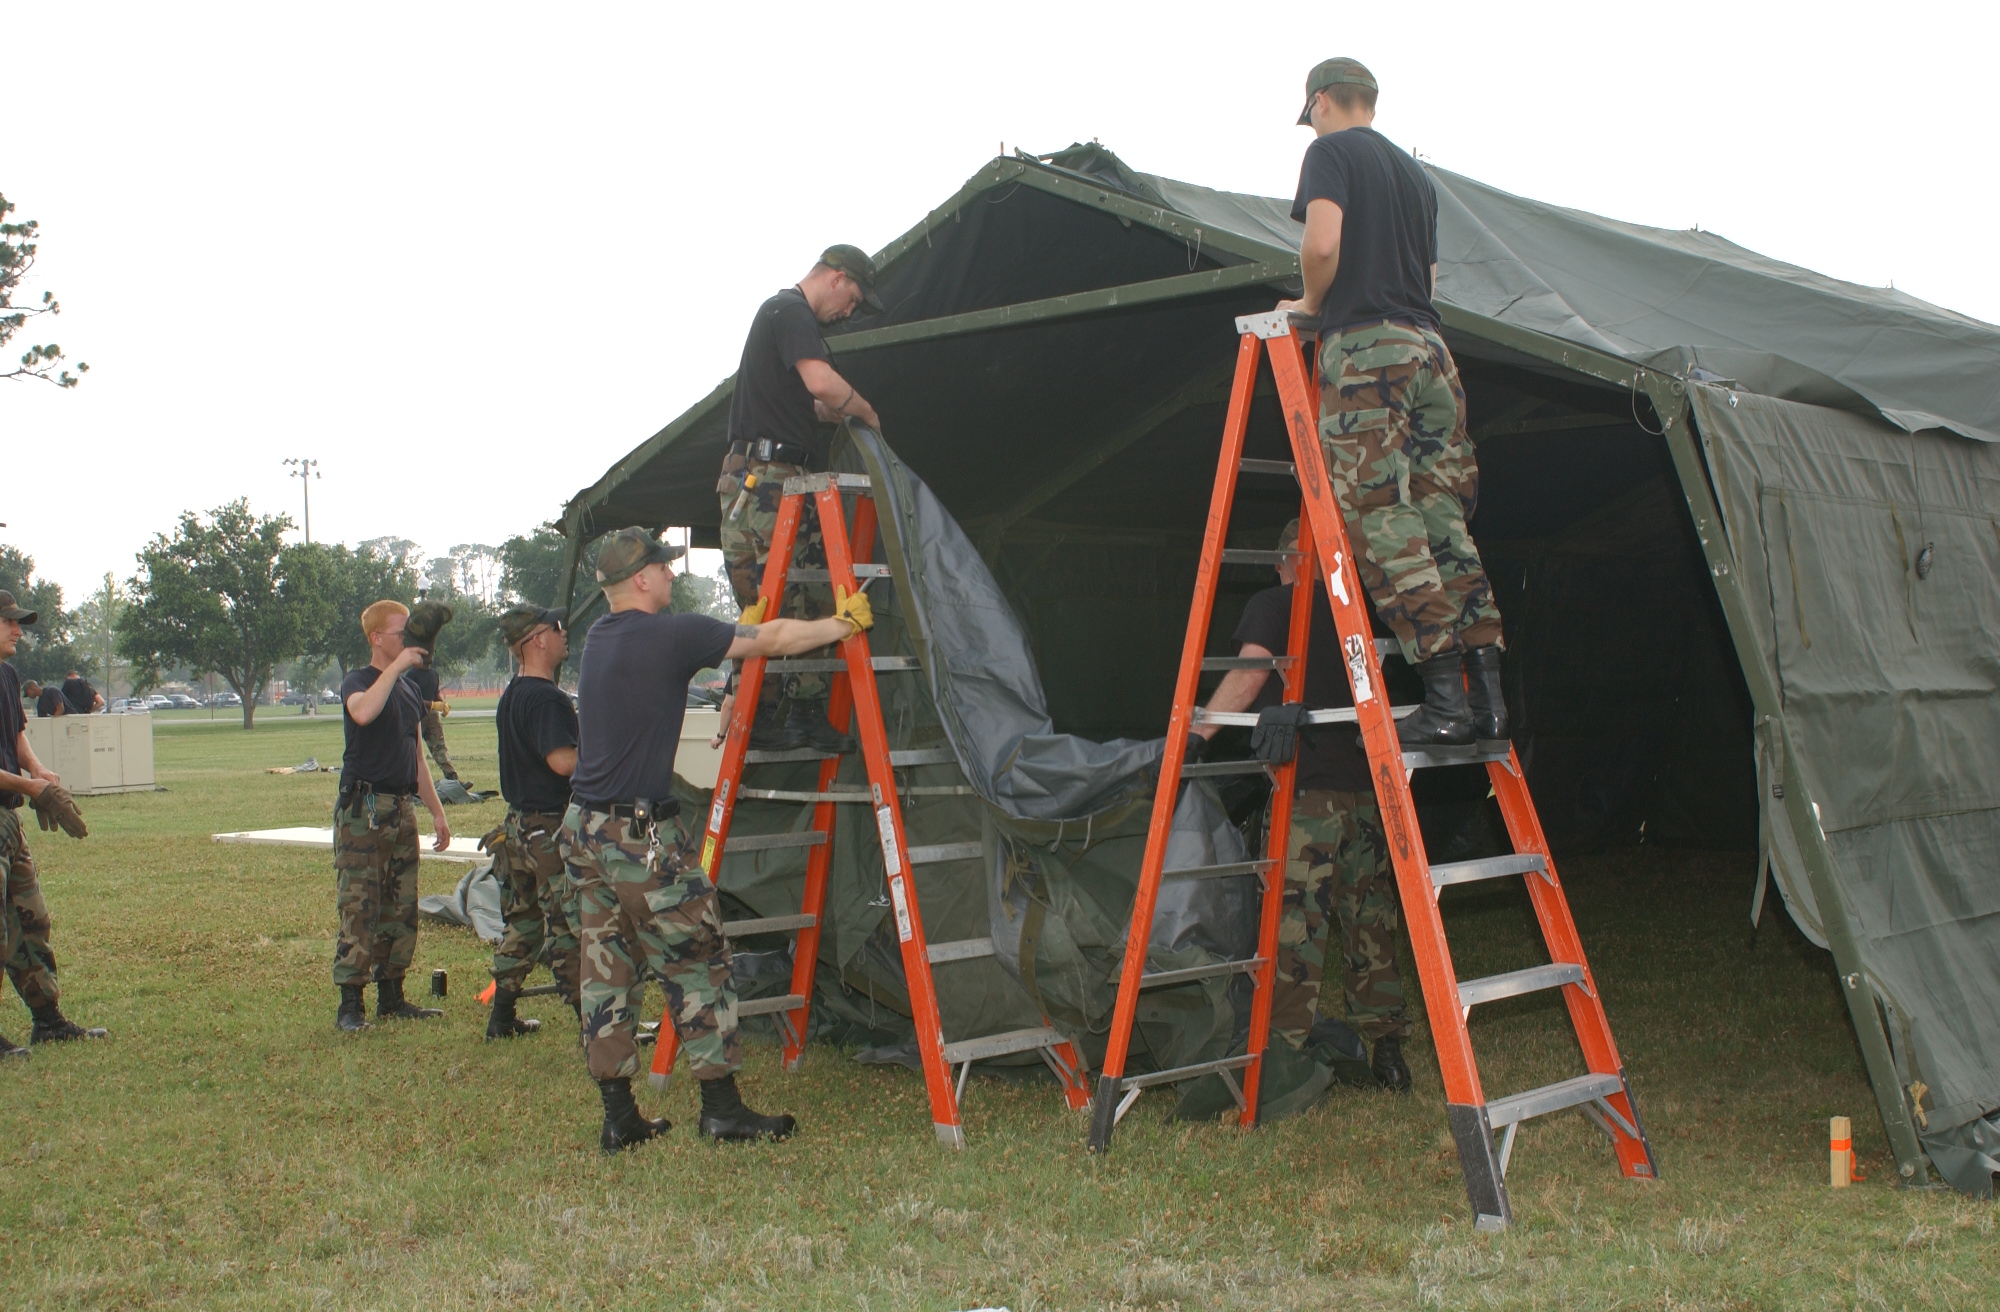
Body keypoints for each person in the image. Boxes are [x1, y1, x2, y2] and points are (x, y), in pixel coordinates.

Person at [561, 527, 873, 1151]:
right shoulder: (671, 634)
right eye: (664, 568)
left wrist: (731, 629)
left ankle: (619, 1118)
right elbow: (778, 639)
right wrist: (842, 625)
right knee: (698, 958)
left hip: (584, 831)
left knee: (606, 970)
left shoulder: (600, 637)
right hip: (640, 834)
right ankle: (722, 1109)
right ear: (641, 579)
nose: (673, 576)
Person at [1276, 58, 1507, 756]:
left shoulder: (1330, 153)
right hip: (1431, 350)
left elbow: (1322, 242)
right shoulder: (1417, 178)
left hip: (1369, 349)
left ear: (1320, 103)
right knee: (1443, 518)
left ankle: (1441, 703)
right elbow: (1430, 278)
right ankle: (1488, 701)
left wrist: (1310, 304)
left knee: (1380, 516)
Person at [1194, 523, 1410, 1091]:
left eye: (1279, 564)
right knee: (1372, 926)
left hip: (1307, 799)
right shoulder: (1354, 611)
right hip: (1368, 795)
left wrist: (1198, 733)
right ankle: (1388, 1051)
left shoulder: (1275, 603)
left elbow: (1248, 675)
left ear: (1290, 559)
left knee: (1294, 930)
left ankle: (1284, 1058)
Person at [715, 243, 884, 755]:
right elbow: (821, 382)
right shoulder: (788, 310)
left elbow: (806, 398)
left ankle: (806, 710)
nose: (848, 312)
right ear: (835, 277)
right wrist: (866, 412)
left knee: (807, 594)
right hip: (761, 481)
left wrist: (831, 412)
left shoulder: (789, 320)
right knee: (766, 596)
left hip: (787, 477)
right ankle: (760, 709)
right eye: (851, 299)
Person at [333, 600, 452, 1032]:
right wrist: (398, 665)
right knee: (361, 905)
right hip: (364, 810)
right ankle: (351, 1004)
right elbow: (362, 711)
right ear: (377, 638)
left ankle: (392, 995)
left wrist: (437, 813)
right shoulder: (360, 681)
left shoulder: (406, 690)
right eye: (402, 634)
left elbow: (417, 757)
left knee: (401, 907)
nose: (411, 642)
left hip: (401, 808)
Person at [0, 592, 107, 1052]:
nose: (18, 631)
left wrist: (38, 771)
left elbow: (16, 735)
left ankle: (47, 1021)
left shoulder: (6, 675)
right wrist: (33, 789)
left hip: (7, 820)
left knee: (30, 920)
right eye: (9, 622)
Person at [485, 602, 580, 1041]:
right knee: (568, 924)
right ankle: (597, 1028)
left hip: (519, 825)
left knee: (523, 922)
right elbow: (562, 762)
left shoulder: (513, 693)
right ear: (537, 640)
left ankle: (501, 1018)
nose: (565, 633)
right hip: (548, 827)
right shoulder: (546, 698)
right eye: (557, 627)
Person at [405, 658, 461, 784]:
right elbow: (411, 698)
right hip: (417, 716)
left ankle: (452, 778)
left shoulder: (434, 674)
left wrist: (443, 703)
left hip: (432, 717)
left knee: (440, 747)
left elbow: (435, 693)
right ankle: (410, 781)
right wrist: (433, 705)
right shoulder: (412, 674)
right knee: (411, 750)